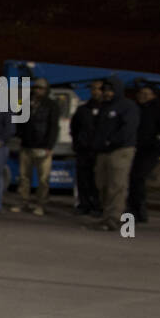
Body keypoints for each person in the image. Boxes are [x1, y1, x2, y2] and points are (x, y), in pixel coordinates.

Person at [89, 76, 138, 231]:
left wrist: (111, 141)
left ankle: (113, 218)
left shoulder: (128, 106)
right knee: (101, 183)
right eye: (105, 90)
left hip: (120, 150)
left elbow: (128, 129)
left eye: (110, 90)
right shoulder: (104, 107)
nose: (107, 93)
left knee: (116, 185)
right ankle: (106, 215)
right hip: (103, 151)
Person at [10, 77, 59, 216]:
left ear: (46, 90)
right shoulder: (26, 102)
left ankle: (40, 204)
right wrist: (20, 135)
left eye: (41, 88)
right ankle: (22, 202)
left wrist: (49, 146)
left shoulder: (51, 105)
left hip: (43, 147)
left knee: (43, 179)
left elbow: (54, 127)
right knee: (24, 177)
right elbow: (19, 119)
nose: (37, 90)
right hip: (26, 146)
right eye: (36, 87)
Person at [127, 82, 160, 223]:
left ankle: (139, 209)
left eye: (146, 94)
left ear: (153, 95)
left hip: (150, 151)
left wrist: (157, 142)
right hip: (135, 149)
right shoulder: (135, 108)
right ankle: (133, 208)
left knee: (138, 177)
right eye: (140, 94)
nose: (142, 97)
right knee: (132, 178)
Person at [70, 80, 103, 216]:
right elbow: (74, 127)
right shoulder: (83, 109)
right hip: (83, 150)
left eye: (98, 89)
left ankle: (98, 206)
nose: (95, 91)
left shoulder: (108, 108)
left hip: (100, 152)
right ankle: (84, 205)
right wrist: (77, 143)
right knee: (83, 179)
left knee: (98, 181)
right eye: (93, 89)